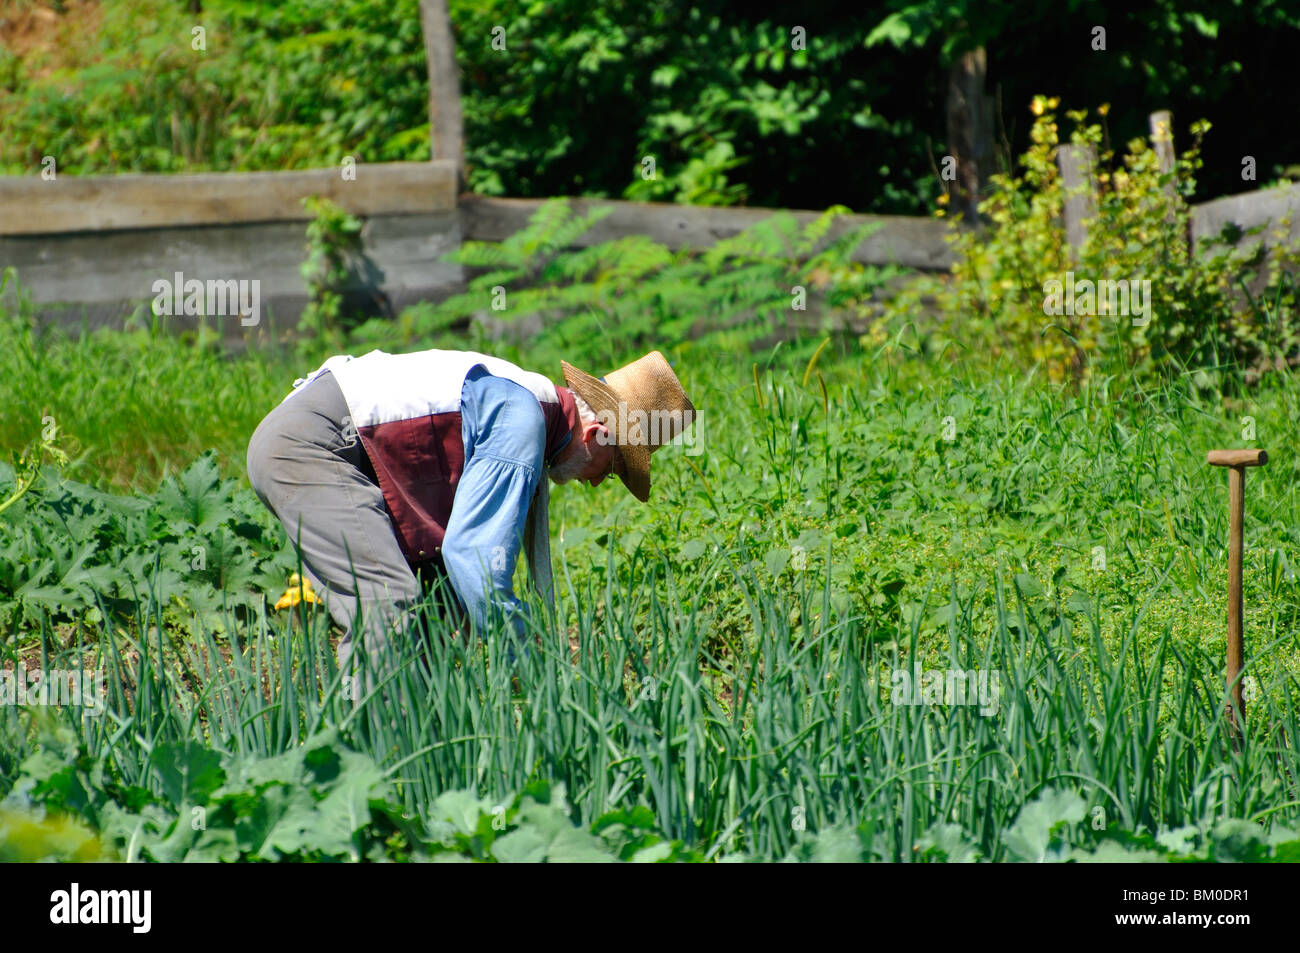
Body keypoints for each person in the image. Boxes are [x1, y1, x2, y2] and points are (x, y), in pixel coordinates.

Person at [245, 347, 695, 696]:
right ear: (598, 434)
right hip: (311, 446)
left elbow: (454, 567)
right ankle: (371, 762)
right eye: (612, 469)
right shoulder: (521, 419)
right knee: (386, 603)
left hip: (321, 440)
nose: (596, 483)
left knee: (437, 605)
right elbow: (476, 562)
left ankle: (422, 751)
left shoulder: (523, 403)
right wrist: (541, 675)